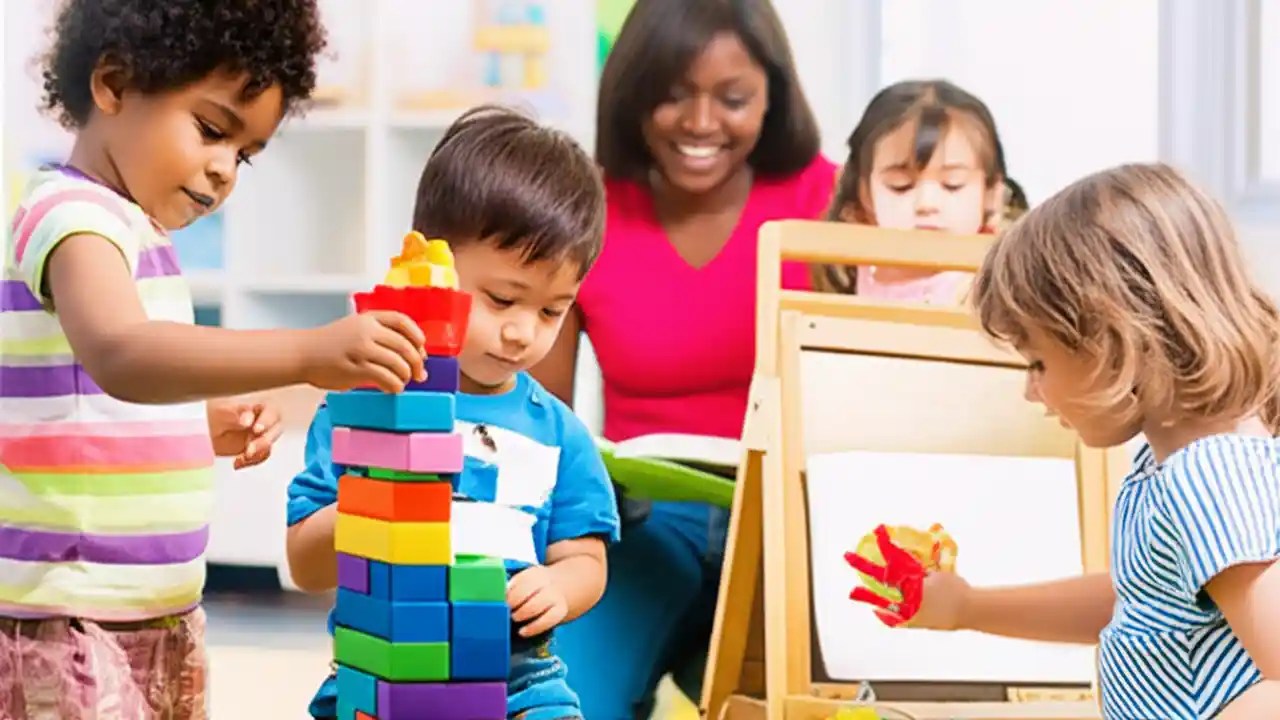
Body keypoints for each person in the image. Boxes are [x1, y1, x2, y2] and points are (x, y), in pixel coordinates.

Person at [0, 1, 430, 717]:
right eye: (210, 129)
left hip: (156, 611)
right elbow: (120, 354)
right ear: (112, 85)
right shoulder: (71, 217)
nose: (224, 170)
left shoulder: (135, 230)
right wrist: (303, 352)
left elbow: (94, 402)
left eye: (244, 153)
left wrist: (196, 426)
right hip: (69, 619)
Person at [854, 163, 1280, 719]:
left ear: (1115, 341)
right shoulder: (1177, 466)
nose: (1032, 391)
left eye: (1037, 362)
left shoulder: (1210, 477)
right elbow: (1138, 601)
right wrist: (967, 606)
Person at [530, 0, 834, 716]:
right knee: (558, 701)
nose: (701, 123)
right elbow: (542, 412)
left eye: (732, 99)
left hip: (789, 529)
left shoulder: (827, 198)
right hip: (635, 526)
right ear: (632, 94)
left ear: (773, 98)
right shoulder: (588, 210)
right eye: (672, 95)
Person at [285, 106, 621, 720]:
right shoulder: (365, 406)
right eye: (501, 299)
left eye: (552, 312)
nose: (523, 332)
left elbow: (585, 557)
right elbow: (305, 565)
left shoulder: (559, 434)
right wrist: (368, 506)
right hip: (381, 667)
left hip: (520, 678)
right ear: (433, 270)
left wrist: (560, 588)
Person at [813, 79, 1029, 302]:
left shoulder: (1000, 283)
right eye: (900, 186)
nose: (927, 204)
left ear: (991, 193)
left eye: (952, 184)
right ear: (865, 194)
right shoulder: (852, 263)